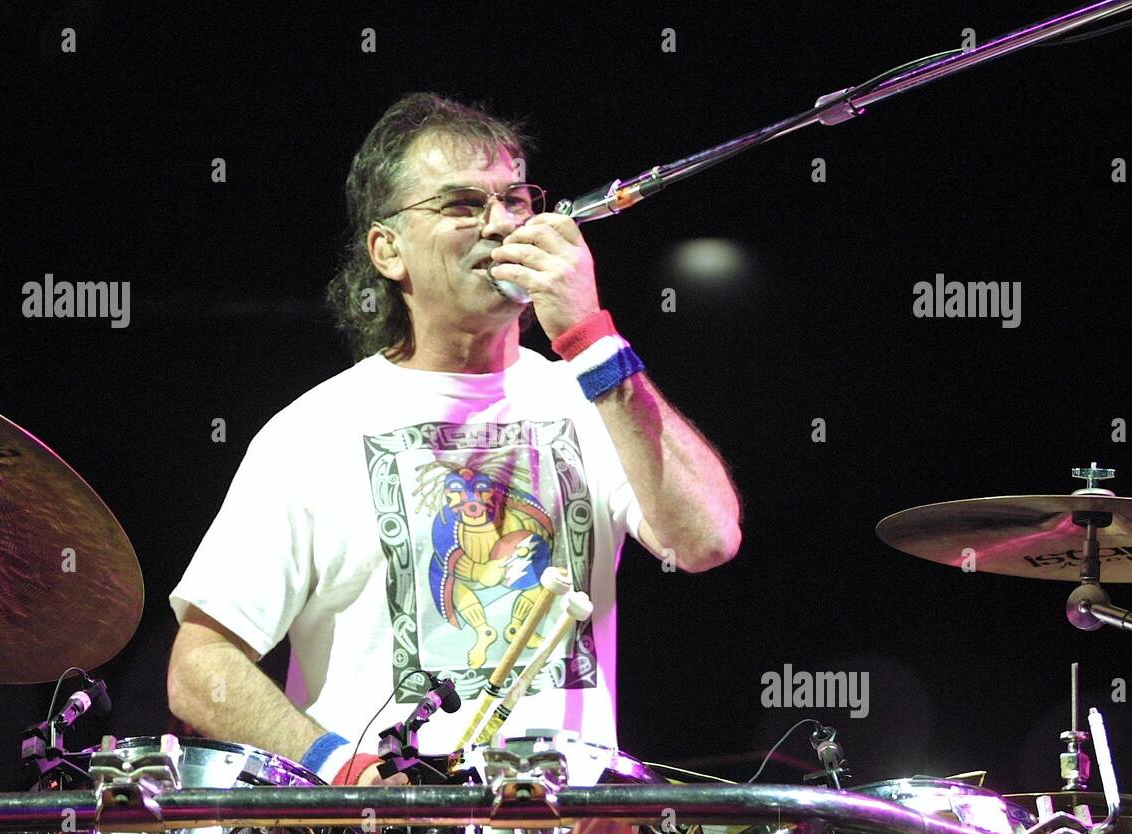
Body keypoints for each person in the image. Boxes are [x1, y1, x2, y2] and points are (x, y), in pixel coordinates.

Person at [167, 93, 742, 787]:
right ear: (388, 250)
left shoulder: (590, 398)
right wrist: (340, 768)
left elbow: (707, 540)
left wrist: (590, 340)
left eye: (517, 200)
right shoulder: (311, 432)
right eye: (463, 205)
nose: (501, 225)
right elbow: (200, 669)